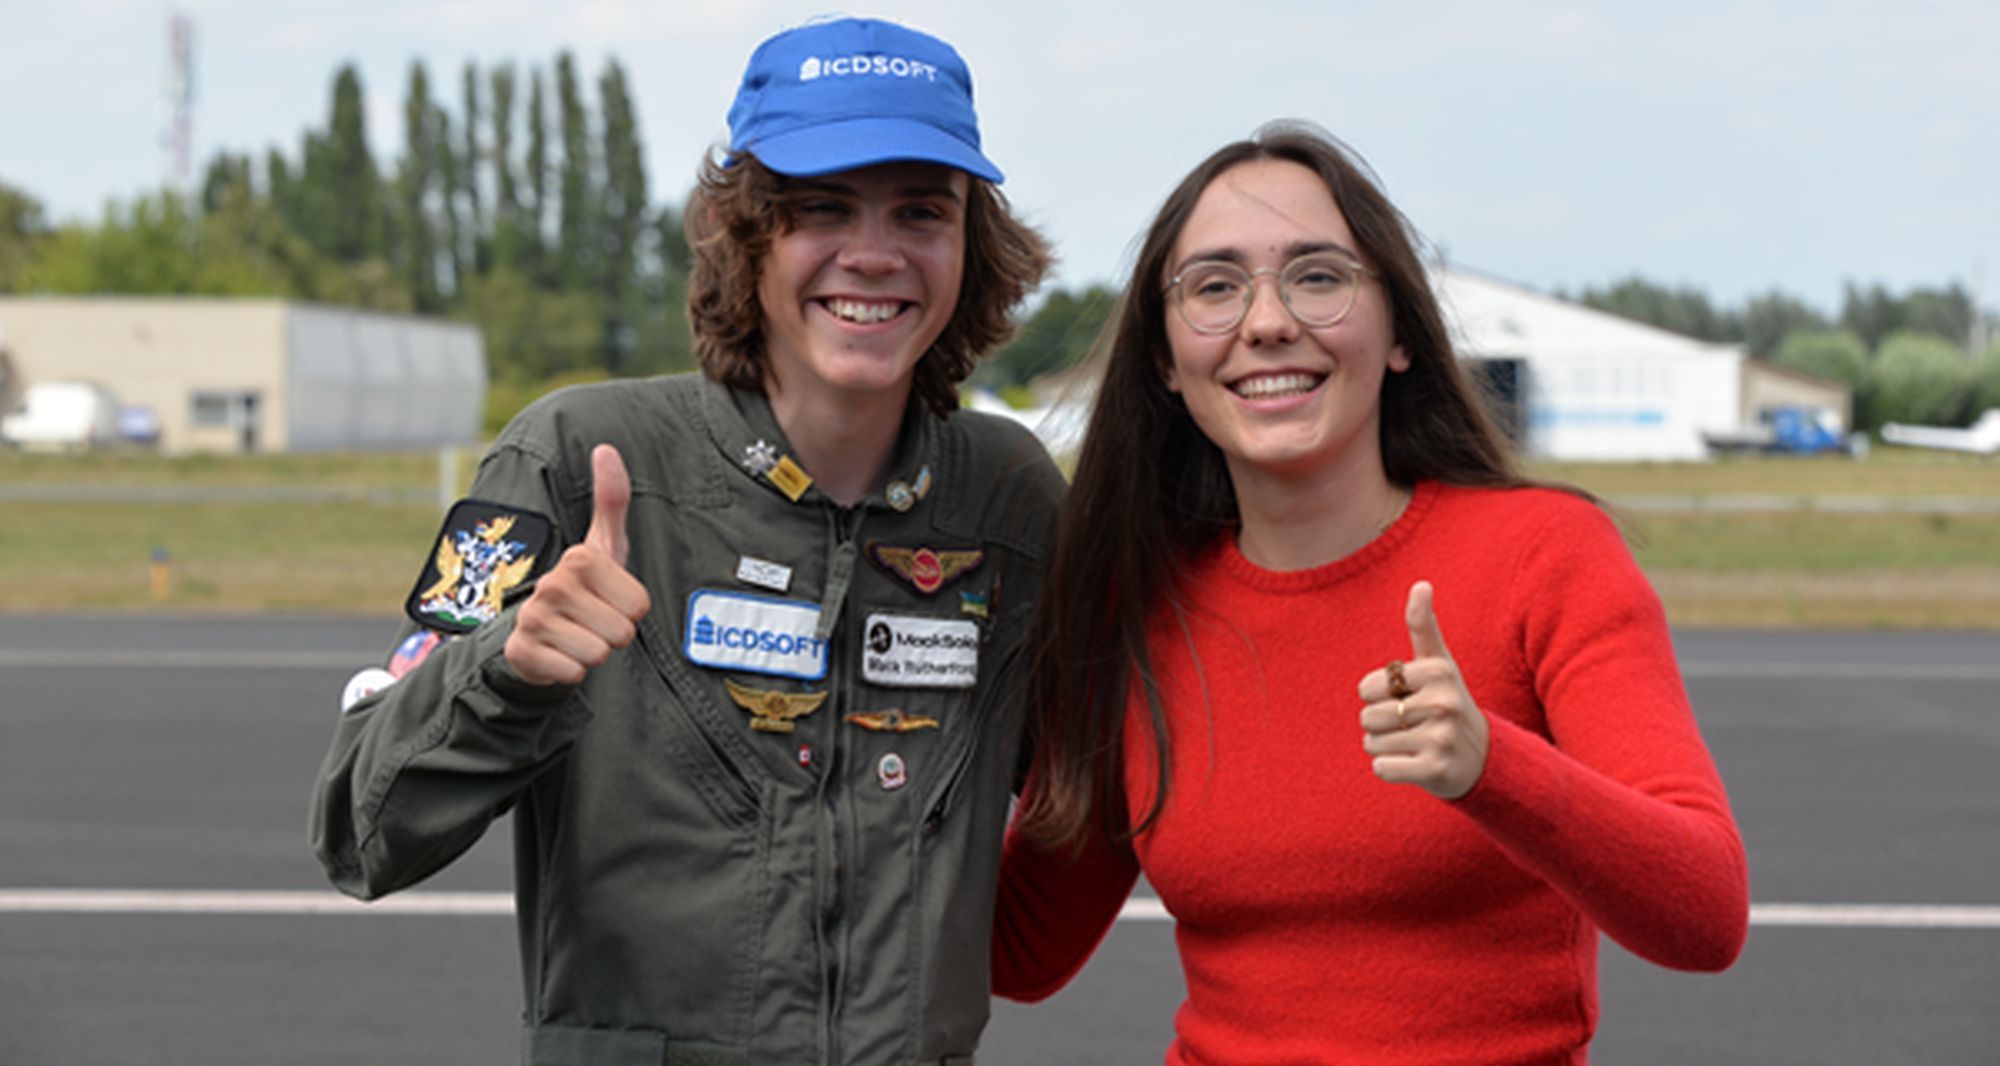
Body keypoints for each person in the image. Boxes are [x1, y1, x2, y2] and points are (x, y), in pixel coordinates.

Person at [311, 17, 1059, 1065]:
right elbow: (358, 832)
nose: (874, 252)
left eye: (921, 212)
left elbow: (1108, 787)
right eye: (820, 208)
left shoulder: (1009, 498)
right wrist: (505, 669)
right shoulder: (575, 457)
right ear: (744, 235)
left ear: (969, 247)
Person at [991, 122, 1748, 1064]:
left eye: (1317, 276)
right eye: (1216, 287)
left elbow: (1707, 913)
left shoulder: (1546, 554)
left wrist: (1489, 767)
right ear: (1164, 360)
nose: (1266, 321)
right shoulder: (1136, 611)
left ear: (1398, 334)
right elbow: (1023, 950)